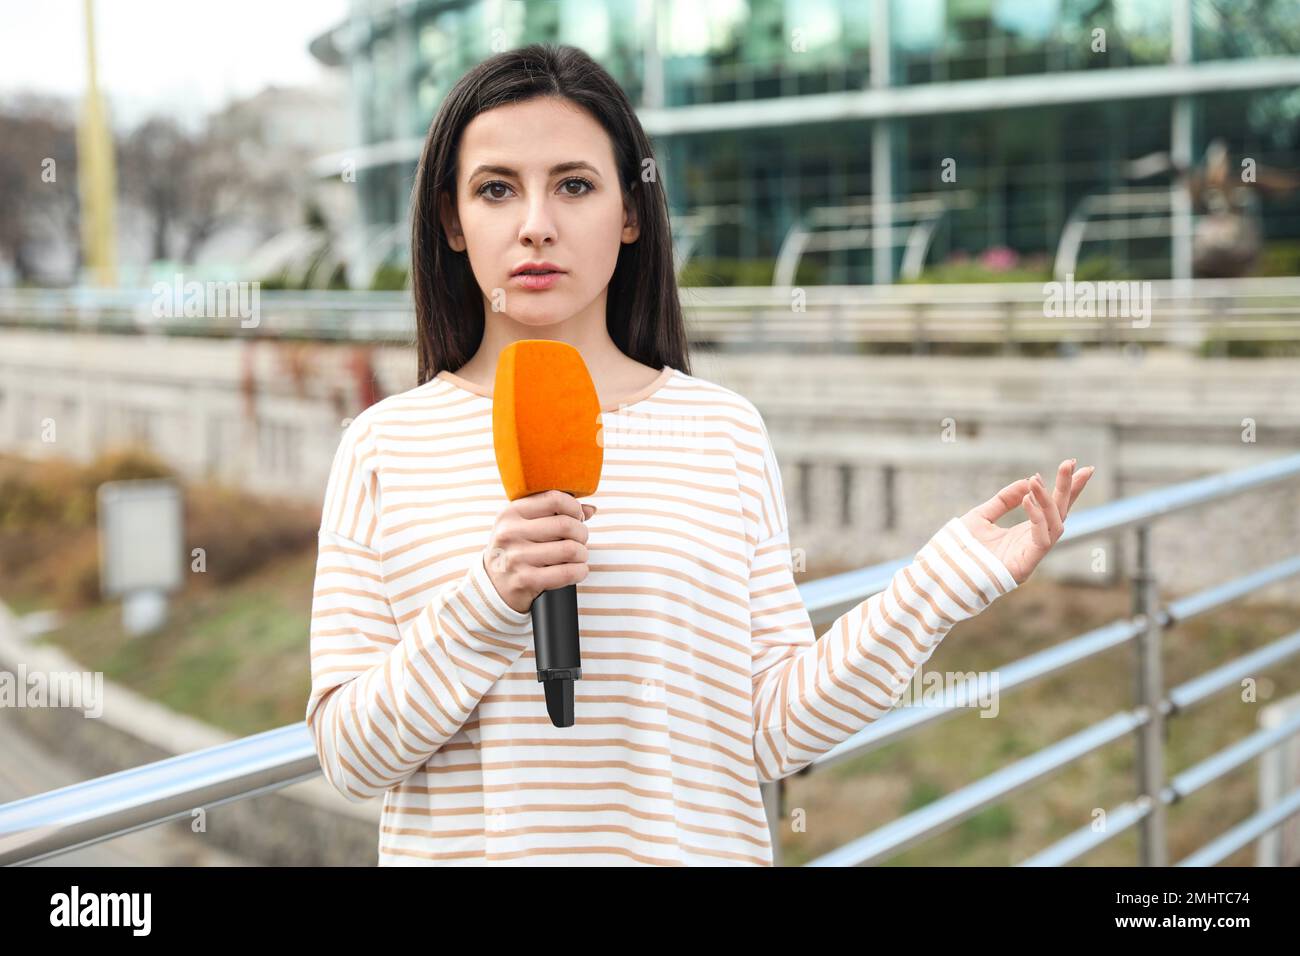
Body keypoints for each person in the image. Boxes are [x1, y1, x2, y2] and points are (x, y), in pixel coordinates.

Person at [304, 43, 1094, 866]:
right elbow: (352, 758)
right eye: (496, 188)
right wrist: (488, 603)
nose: (536, 221)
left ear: (631, 213)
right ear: (451, 222)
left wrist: (940, 586)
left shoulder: (722, 431)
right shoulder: (382, 447)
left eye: (574, 185)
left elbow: (773, 729)